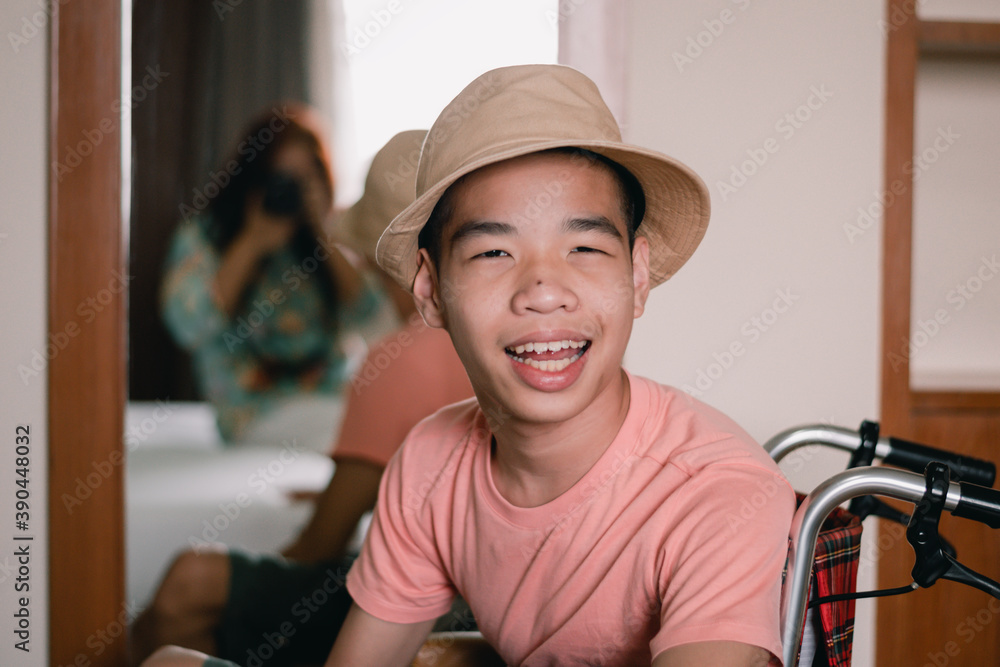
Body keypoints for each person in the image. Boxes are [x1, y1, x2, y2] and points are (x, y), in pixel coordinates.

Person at [325, 64, 796, 666]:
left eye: (585, 248)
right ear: (431, 291)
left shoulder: (717, 493)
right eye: (494, 251)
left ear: (637, 275)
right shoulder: (430, 464)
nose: (544, 290)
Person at [132, 131, 476, 667]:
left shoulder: (398, 364)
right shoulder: (499, 346)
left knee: (185, 589)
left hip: (437, 611)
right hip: (474, 603)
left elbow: (318, 546)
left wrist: (321, 236)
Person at [160, 104, 388, 446]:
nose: (288, 192)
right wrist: (251, 244)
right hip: (253, 409)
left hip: (332, 399)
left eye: (301, 181)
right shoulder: (208, 237)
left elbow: (371, 315)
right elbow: (189, 324)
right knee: (367, 438)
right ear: (251, 179)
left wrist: (324, 237)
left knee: (388, 424)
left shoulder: (326, 240)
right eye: (278, 179)